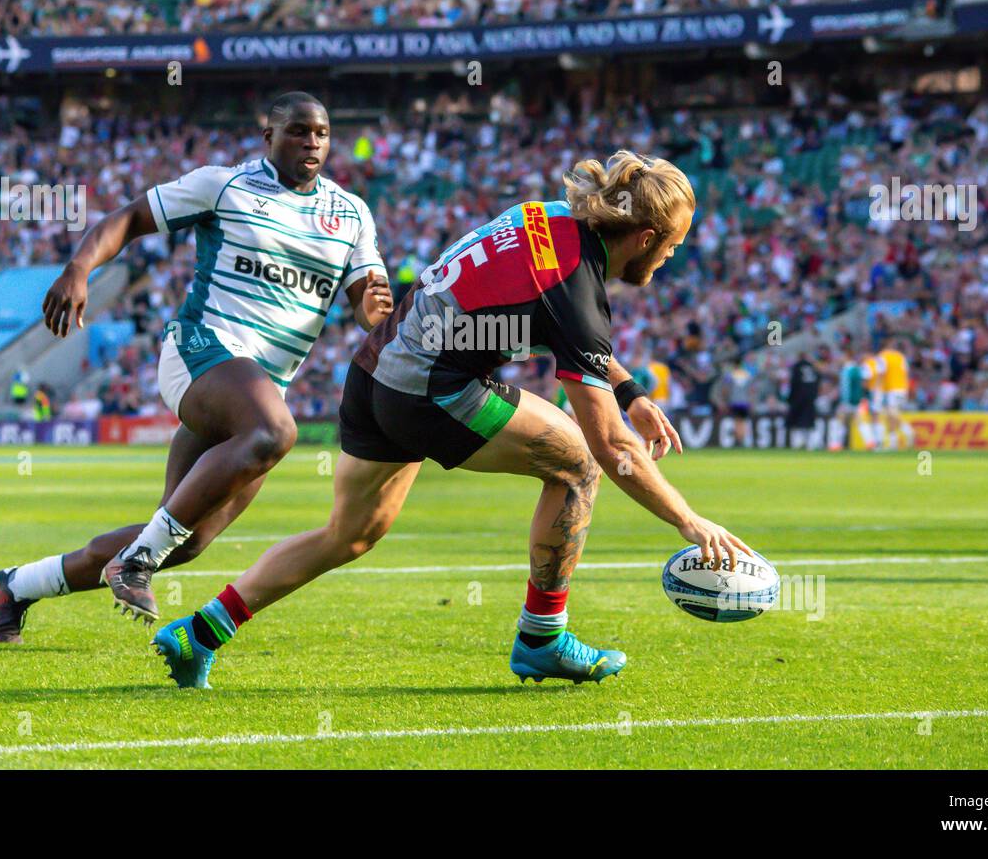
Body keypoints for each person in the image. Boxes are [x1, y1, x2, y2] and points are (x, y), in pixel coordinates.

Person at [151, 150, 752, 689]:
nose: (671, 257)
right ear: (646, 235)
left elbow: (570, 337)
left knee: (350, 534)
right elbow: (614, 448)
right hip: (426, 388)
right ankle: (542, 640)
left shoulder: (546, 217)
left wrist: (630, 391)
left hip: (373, 369)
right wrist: (688, 520)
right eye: (672, 246)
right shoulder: (575, 289)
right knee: (577, 466)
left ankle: (199, 632)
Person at [0, 92, 395, 642]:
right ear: (268, 137)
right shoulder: (224, 185)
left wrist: (376, 310)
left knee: (187, 539)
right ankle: (134, 563)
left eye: (320, 132)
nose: (311, 141)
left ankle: (15, 586)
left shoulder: (351, 213)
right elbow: (128, 218)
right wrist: (79, 267)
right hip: (201, 350)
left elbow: (366, 299)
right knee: (274, 432)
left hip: (258, 387)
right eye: (297, 131)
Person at [876, 340, 914, 450]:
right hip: (902, 389)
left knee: (891, 414)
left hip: (890, 390)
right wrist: (907, 389)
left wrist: (878, 391)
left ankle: (905, 433)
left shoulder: (882, 356)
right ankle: (896, 439)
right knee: (891, 414)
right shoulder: (900, 357)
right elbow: (906, 373)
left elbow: (880, 374)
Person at [786, 352, 820, 449]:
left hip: (799, 397)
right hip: (810, 398)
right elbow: (817, 380)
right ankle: (811, 443)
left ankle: (798, 442)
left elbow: (794, 383)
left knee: (797, 420)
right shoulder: (812, 367)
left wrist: (790, 398)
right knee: (809, 420)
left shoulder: (797, 367)